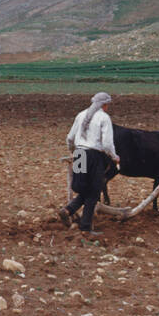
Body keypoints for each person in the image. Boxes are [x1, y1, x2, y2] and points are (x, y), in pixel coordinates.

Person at [59, 92, 120, 234]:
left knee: (83, 188)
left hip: (79, 153)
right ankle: (85, 227)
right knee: (93, 192)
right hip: (94, 156)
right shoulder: (104, 118)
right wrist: (114, 156)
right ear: (104, 105)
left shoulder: (80, 115)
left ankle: (68, 210)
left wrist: (73, 151)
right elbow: (106, 143)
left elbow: (70, 138)